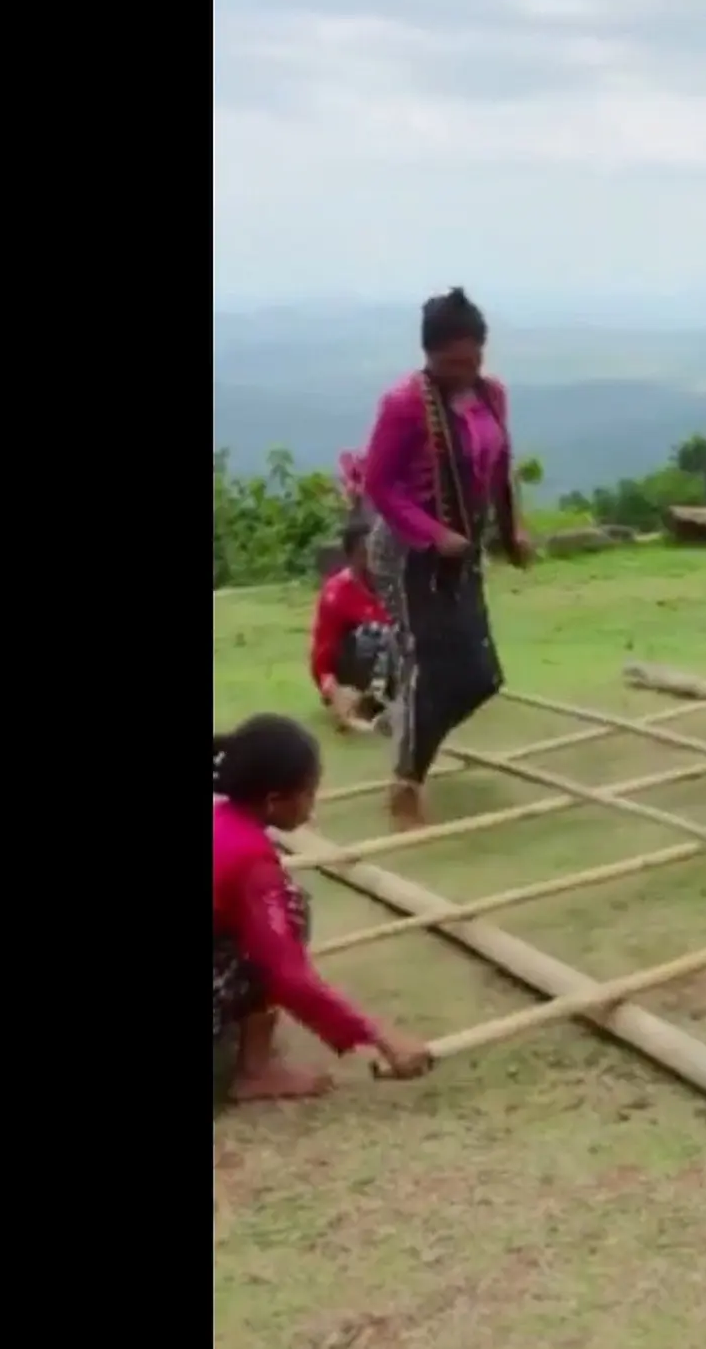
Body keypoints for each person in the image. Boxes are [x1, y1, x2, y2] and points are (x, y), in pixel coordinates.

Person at [363, 287, 534, 829]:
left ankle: (404, 723)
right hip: (407, 554)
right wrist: (432, 533)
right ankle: (405, 784)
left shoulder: (492, 395)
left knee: (480, 675)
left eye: (473, 359)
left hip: (463, 549)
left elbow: (500, 466)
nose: (464, 371)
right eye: (452, 362)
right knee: (430, 666)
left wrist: (512, 529)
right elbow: (379, 486)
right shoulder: (404, 404)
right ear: (430, 355)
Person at [213, 713, 432, 1101]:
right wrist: (381, 1038)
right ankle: (255, 1072)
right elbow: (288, 976)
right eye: (309, 793)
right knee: (288, 914)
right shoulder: (251, 859)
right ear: (274, 800)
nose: (313, 806)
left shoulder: (221, 817)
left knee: (272, 912)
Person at [310, 519, 395, 733]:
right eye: (364, 554)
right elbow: (322, 661)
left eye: (376, 552)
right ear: (351, 558)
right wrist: (333, 691)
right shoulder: (336, 594)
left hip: (393, 665)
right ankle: (365, 702)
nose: (372, 561)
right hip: (357, 667)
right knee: (372, 636)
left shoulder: (397, 585)